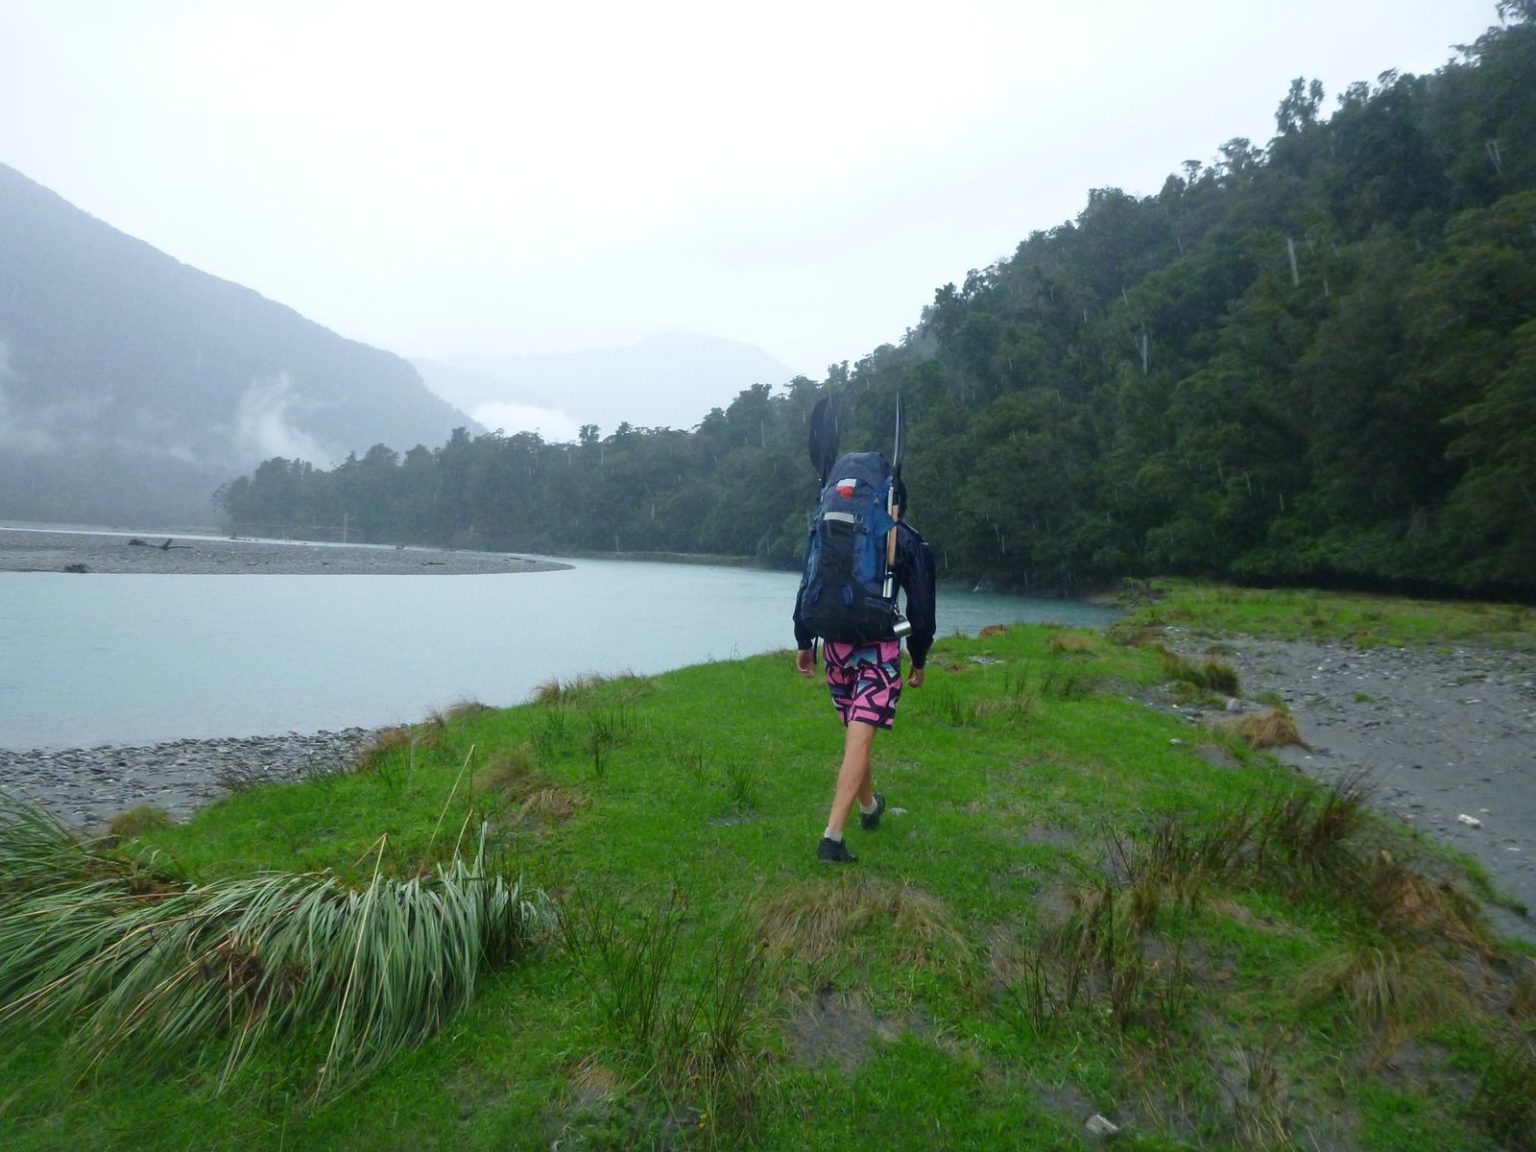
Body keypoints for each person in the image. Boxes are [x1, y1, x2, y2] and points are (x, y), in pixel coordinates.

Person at [794, 512, 936, 863]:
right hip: (878, 650)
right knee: (859, 739)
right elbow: (921, 607)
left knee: (858, 735)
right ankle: (832, 838)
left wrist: (804, 640)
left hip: (835, 649)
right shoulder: (901, 536)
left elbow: (808, 582)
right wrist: (918, 657)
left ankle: (870, 807)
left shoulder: (832, 528)